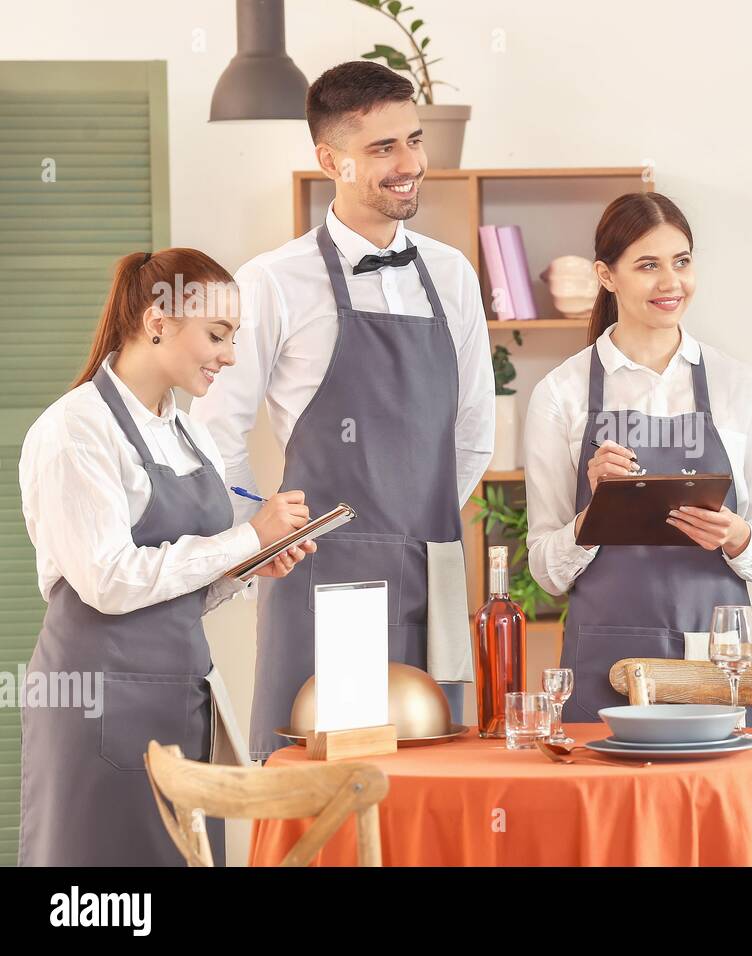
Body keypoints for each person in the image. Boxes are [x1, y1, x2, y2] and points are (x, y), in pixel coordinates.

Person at [190, 61, 495, 759]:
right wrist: (262, 538)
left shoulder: (452, 274)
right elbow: (215, 433)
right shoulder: (273, 281)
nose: (409, 164)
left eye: (414, 140)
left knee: (435, 773)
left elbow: (475, 429)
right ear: (331, 160)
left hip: (431, 567)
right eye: (383, 148)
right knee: (317, 778)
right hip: (319, 573)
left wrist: (413, 520)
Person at [18, 248, 313, 866]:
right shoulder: (75, 429)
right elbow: (108, 580)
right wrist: (244, 539)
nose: (230, 356)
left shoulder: (189, 432)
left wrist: (246, 566)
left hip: (181, 698)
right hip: (98, 702)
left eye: (234, 338)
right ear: (158, 322)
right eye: (217, 335)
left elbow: (177, 587)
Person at [525, 193, 752, 724]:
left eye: (681, 262)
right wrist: (594, 515)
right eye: (648, 265)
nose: (671, 283)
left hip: (715, 656)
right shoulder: (560, 393)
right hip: (605, 658)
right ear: (606, 275)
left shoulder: (741, 386)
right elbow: (545, 570)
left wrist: (736, 535)